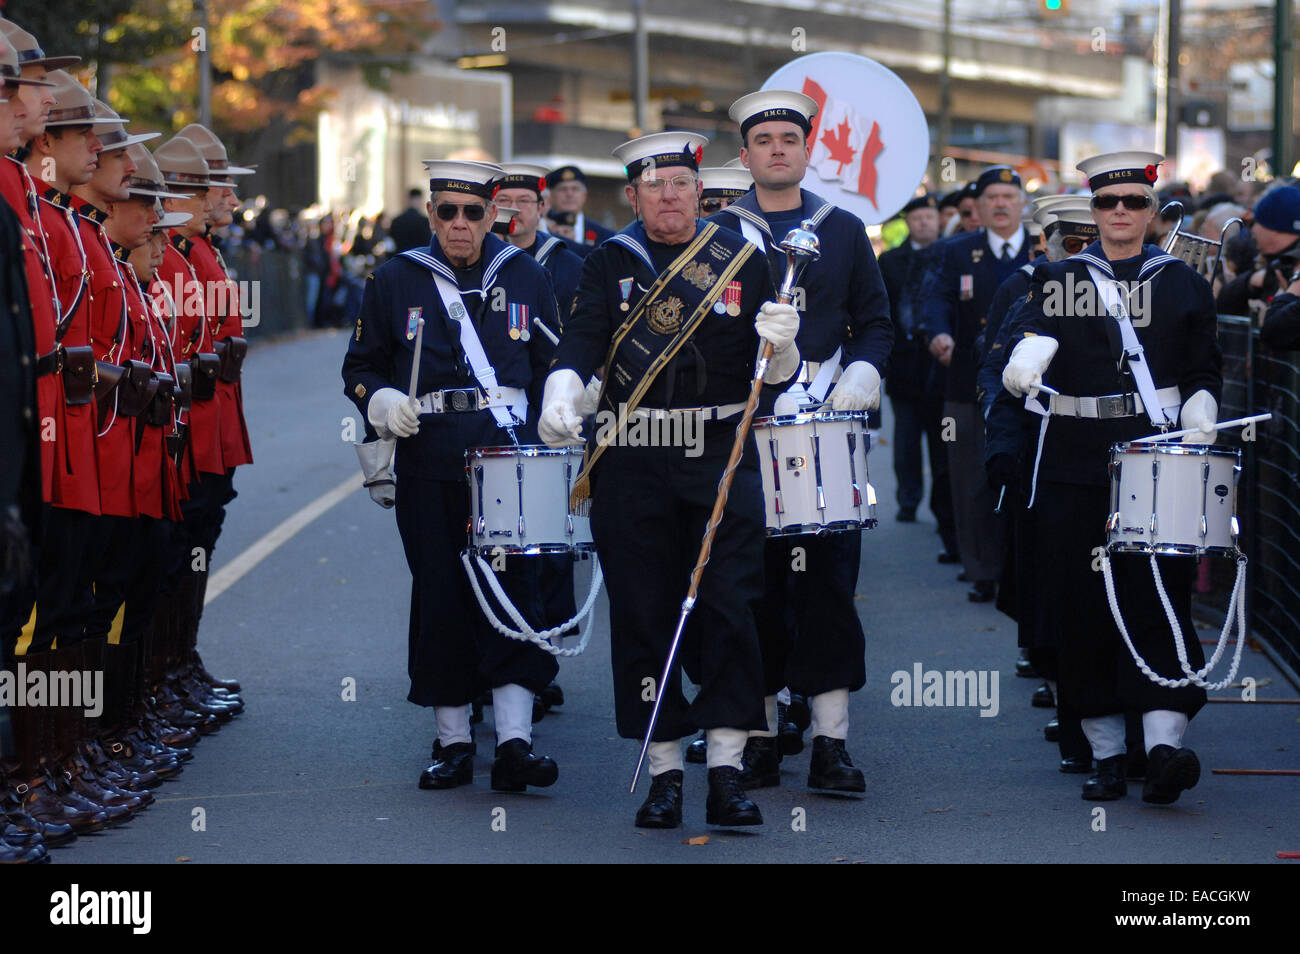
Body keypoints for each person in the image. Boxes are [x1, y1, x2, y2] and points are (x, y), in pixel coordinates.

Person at [539, 131, 786, 828]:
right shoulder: (608, 260)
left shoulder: (742, 256)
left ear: (700, 190)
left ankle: (729, 771)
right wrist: (562, 387)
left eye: (679, 183)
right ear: (632, 194)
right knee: (645, 617)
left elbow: (778, 369)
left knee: (730, 609)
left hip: (719, 452)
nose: (669, 196)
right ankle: (665, 771)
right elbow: (584, 339)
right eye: (654, 186)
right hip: (632, 460)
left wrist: (789, 342)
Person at [1000, 150, 1222, 804]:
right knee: (1081, 607)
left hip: (1156, 455)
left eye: (1133, 203)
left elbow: (1204, 367)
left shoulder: (1182, 281)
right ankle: (1103, 752)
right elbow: (1035, 330)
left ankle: (1162, 748)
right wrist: (1028, 354)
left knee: (1159, 596)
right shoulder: (1059, 277)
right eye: (1107, 203)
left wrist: (1204, 406)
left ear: (1152, 212)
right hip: (1073, 459)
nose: (1120, 214)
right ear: (1092, 212)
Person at [342, 160, 562, 793]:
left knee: (517, 590)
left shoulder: (524, 273)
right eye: (447, 213)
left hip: (508, 452)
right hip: (430, 452)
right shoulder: (394, 278)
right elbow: (360, 364)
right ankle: (453, 742)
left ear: (495, 214)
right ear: (432, 214)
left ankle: (516, 740)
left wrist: (565, 405)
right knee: (439, 592)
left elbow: (555, 360)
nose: (460, 225)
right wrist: (378, 398)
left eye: (473, 213)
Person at [706, 91, 892, 791]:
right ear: (746, 154)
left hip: (826, 422)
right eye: (765, 140)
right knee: (750, 586)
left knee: (828, 587)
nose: (778, 148)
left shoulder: (842, 228)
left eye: (790, 137)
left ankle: (829, 742)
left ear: (807, 149)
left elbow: (876, 321)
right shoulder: (718, 234)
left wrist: (865, 373)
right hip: (747, 424)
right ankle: (757, 733)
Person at [919, 165, 1030, 603]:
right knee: (970, 480)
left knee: (1022, 475)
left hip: (1028, 389)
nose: (1001, 204)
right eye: (992, 198)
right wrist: (937, 333)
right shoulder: (957, 251)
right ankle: (982, 569)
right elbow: (934, 299)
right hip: (967, 385)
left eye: (1009, 196)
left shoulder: (1044, 253)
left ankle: (1020, 568)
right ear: (979, 207)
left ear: (1022, 204)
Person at [880, 194, 945, 524]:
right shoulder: (890, 261)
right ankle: (908, 499)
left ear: (938, 221)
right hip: (904, 366)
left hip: (941, 367)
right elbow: (882, 312)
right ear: (908, 222)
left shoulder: (950, 254)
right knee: (906, 439)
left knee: (941, 439)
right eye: (917, 218)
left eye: (929, 217)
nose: (924, 223)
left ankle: (942, 505)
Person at [1216, 185, 1300, 319]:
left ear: (1275, 228)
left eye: (1255, 222)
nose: (1252, 230)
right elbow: (1222, 304)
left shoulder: (1288, 268)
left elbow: (1274, 332)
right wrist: (1250, 281)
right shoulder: (1270, 266)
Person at [544, 164, 614, 256]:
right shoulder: (542, 231)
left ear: (584, 195)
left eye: (575, 189)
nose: (569, 194)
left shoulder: (605, 237)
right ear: (551, 197)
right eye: (562, 189)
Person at [389, 186, 432, 253]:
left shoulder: (396, 220)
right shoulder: (424, 221)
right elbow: (427, 244)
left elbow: (391, 244)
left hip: (400, 258)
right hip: (418, 258)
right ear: (419, 200)